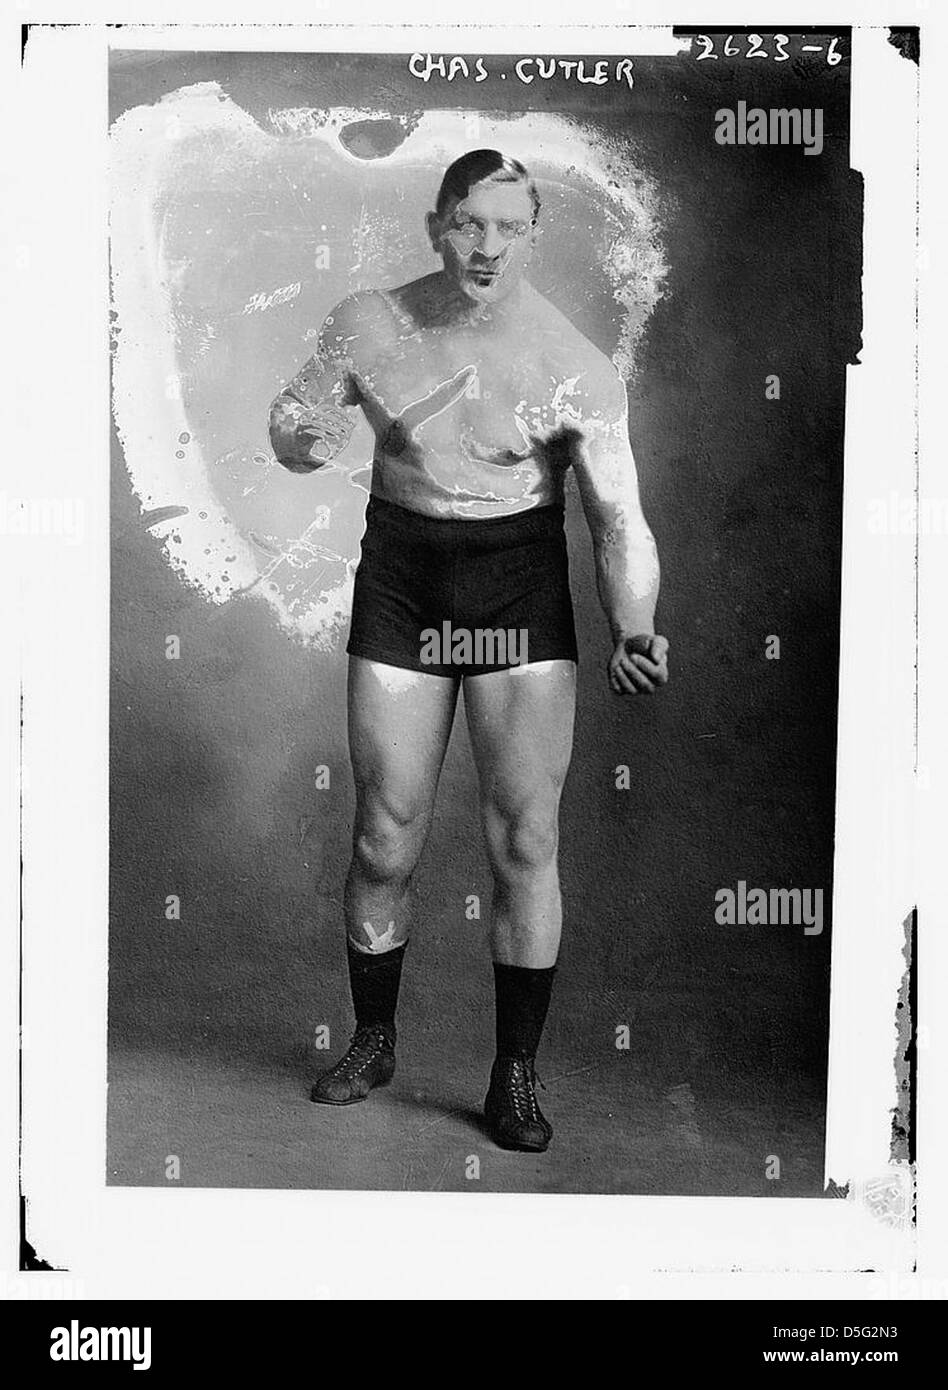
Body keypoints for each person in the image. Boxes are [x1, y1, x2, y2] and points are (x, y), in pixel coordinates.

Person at [269, 149, 669, 1152]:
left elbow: (620, 517)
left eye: (509, 227)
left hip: (516, 586)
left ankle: (516, 1075)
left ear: (532, 235)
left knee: (525, 839)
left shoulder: (572, 362)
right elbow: (293, 419)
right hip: (404, 576)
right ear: (436, 223)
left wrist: (635, 627)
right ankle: (372, 1038)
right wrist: (304, 441)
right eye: (469, 224)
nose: (487, 246)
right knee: (383, 835)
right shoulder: (369, 320)